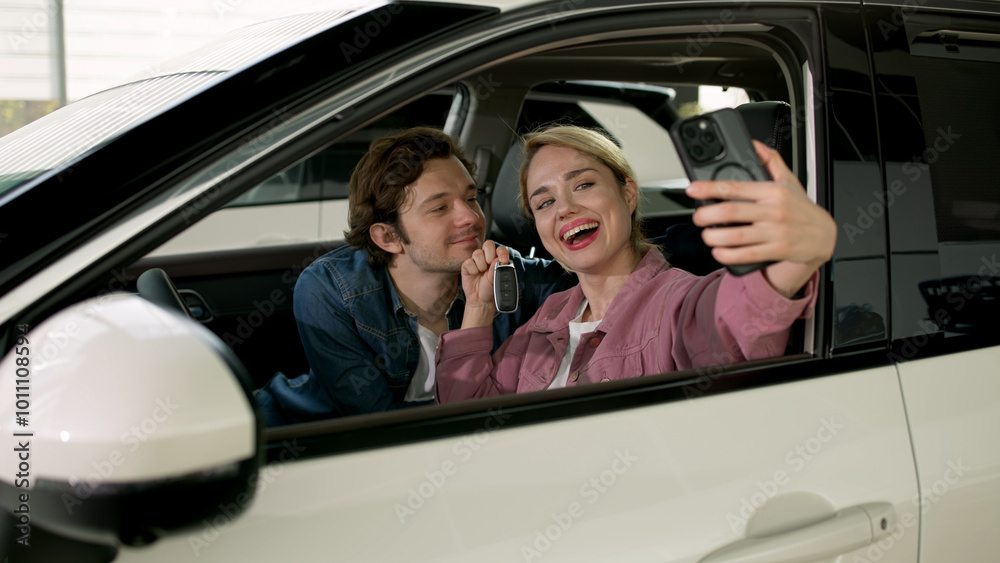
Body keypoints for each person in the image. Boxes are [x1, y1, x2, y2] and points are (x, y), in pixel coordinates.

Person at [435, 125, 836, 402]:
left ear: (627, 194)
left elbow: (733, 322)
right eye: (545, 202)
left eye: (584, 184)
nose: (566, 208)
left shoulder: (678, 302)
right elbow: (469, 419)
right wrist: (478, 311)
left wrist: (798, 255)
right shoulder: (547, 318)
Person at [253, 127, 574, 424]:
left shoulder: (506, 272)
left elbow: (602, 279)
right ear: (388, 237)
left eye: (471, 198)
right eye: (439, 208)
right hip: (300, 434)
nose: (471, 217)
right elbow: (377, 423)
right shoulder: (330, 289)